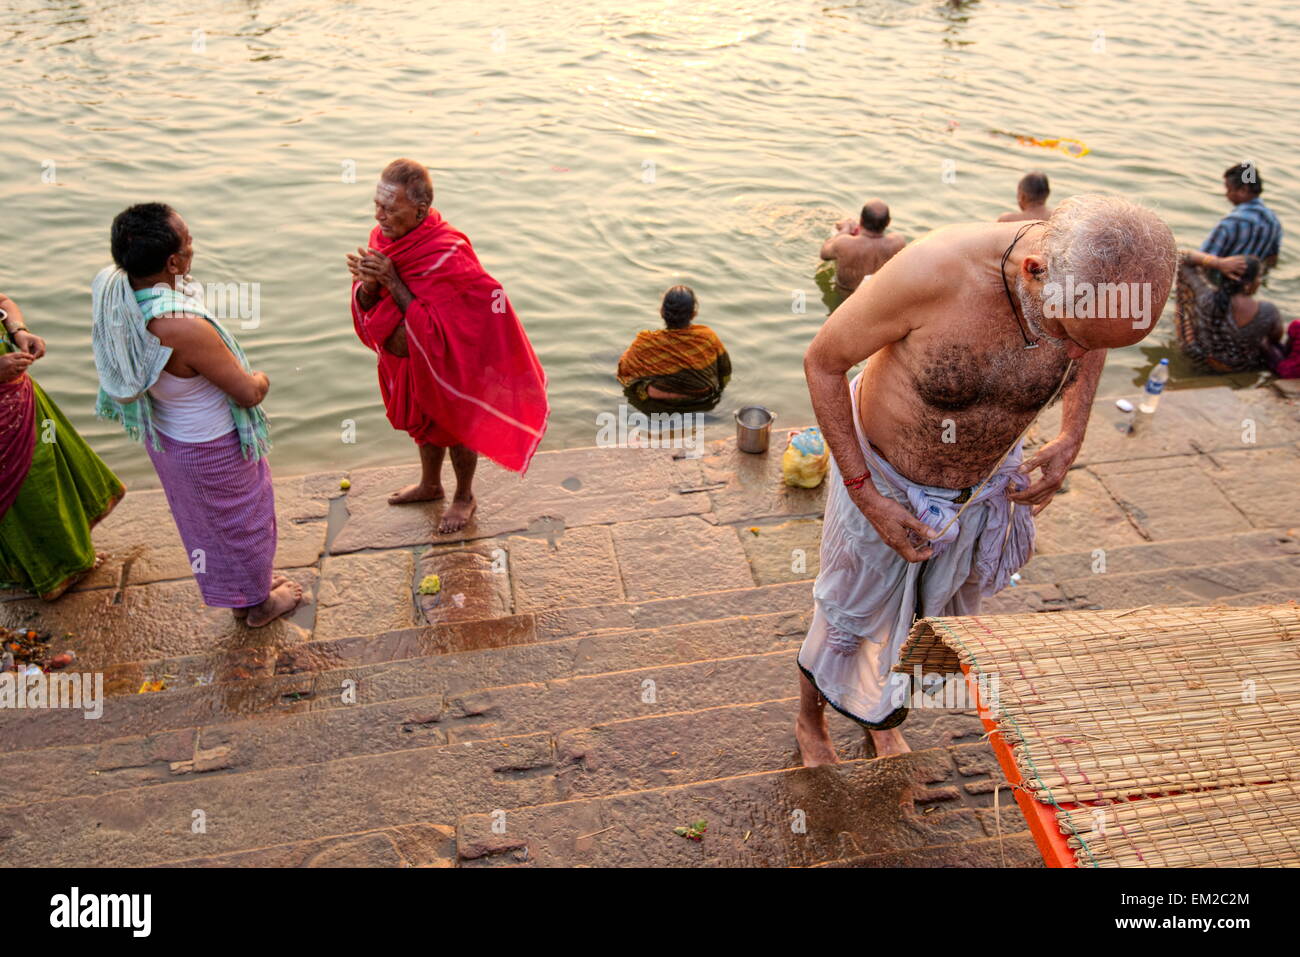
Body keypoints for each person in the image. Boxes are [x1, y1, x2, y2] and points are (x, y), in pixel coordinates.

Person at [796, 194, 1177, 766]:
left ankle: (880, 715)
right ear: (1034, 271)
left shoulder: (1086, 296)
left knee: (928, 620)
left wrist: (1071, 436)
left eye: (1091, 340)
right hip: (882, 481)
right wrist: (864, 493)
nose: (1073, 352)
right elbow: (823, 362)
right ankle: (810, 719)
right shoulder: (933, 271)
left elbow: (1089, 342)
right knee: (846, 613)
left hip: (982, 489)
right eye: (1067, 330)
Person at [92, 203, 302, 628]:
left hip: (168, 441)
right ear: (174, 262)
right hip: (212, 447)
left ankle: (245, 591)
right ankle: (258, 605)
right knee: (246, 524)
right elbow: (246, 393)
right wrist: (261, 377)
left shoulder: (114, 294)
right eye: (188, 243)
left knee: (209, 529)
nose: (193, 248)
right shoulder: (181, 326)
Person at [347, 159, 549, 534]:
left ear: (420, 210)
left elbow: (463, 315)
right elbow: (369, 305)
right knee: (423, 424)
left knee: (455, 425)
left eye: (390, 209)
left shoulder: (448, 251)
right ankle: (430, 484)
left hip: (448, 359)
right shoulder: (382, 239)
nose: (379, 216)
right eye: (377, 205)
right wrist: (369, 286)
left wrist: (392, 282)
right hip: (408, 360)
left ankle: (464, 497)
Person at [0, 293, 124, 600]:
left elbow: (2, 301)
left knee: (51, 473)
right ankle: (52, 572)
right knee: (24, 495)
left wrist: (19, 331)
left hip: (22, 400)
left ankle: (71, 557)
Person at [616, 285, 731, 410]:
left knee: (634, 382)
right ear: (693, 314)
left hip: (659, 404)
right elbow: (725, 371)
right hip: (702, 400)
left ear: (662, 312)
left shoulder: (646, 343)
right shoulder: (708, 337)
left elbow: (624, 369)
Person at [1175, 253, 1283, 373]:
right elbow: (1275, 338)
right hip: (1243, 370)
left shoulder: (1205, 298)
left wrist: (1218, 263)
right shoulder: (1268, 311)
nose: (1259, 282)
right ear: (1247, 285)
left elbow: (1180, 258)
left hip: (1202, 362)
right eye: (1258, 277)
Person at [1183, 163, 1282, 281]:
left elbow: (1201, 260)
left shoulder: (1231, 223)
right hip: (1247, 286)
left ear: (1243, 190)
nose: (1226, 195)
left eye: (1229, 189)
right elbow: (1271, 260)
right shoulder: (1274, 222)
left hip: (1219, 287)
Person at [819, 199, 907, 295]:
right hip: (879, 297)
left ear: (861, 220)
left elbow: (824, 253)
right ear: (888, 222)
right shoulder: (898, 243)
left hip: (846, 299)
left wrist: (844, 230)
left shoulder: (844, 244)